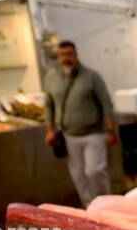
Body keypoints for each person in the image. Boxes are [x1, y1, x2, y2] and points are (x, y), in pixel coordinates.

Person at [43, 40, 117, 205]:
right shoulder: (51, 77)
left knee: (94, 171)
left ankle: (106, 204)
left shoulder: (91, 76)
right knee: (78, 175)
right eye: (62, 55)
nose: (66, 58)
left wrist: (110, 130)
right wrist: (49, 130)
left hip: (94, 133)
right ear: (58, 57)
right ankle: (89, 207)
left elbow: (106, 103)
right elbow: (48, 105)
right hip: (68, 135)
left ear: (76, 55)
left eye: (69, 54)